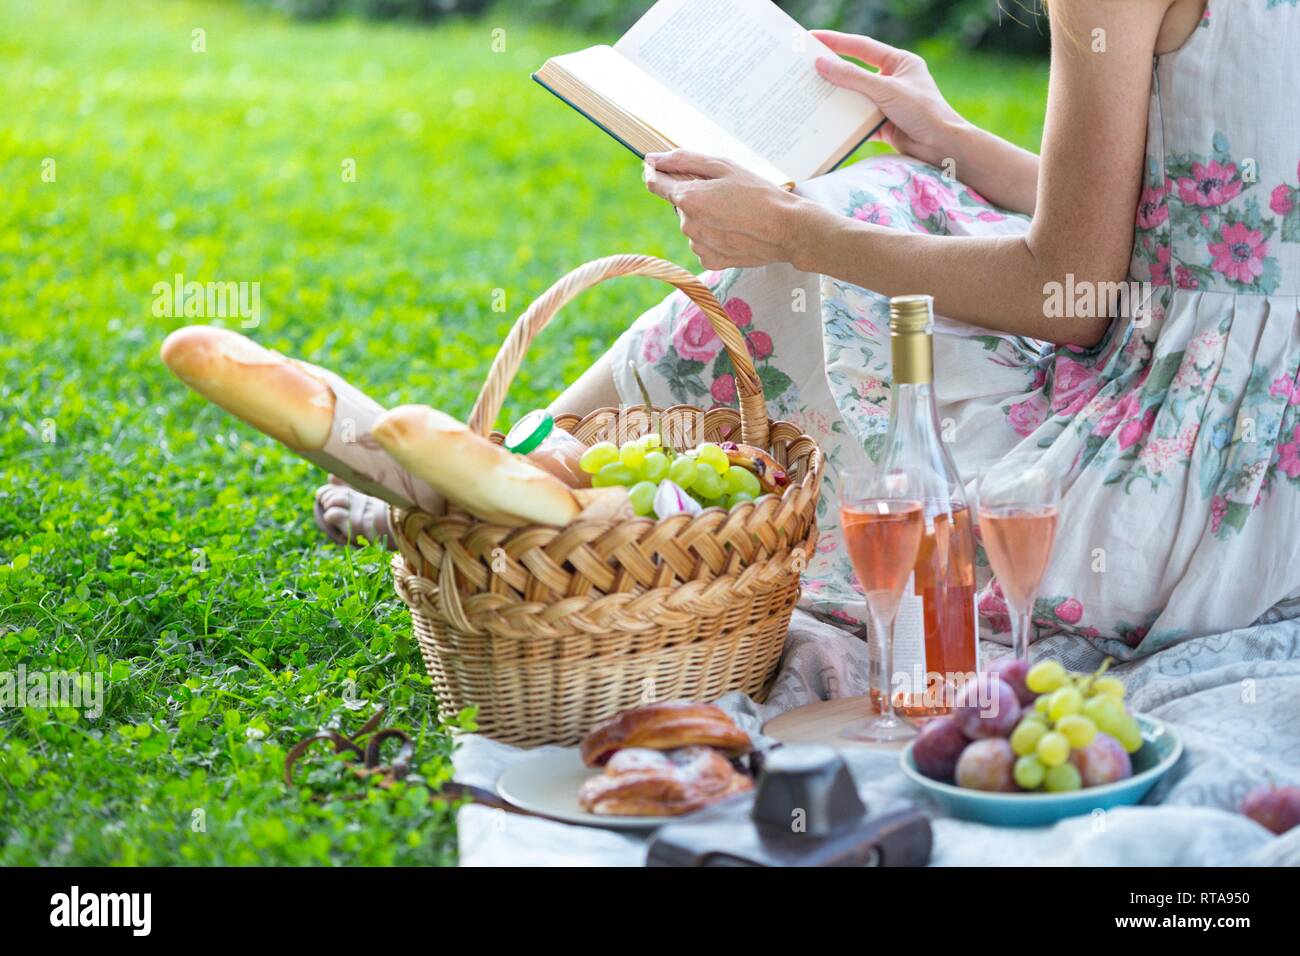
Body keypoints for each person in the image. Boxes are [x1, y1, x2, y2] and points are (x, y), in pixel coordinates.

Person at [320, 0, 1300, 658]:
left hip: (1180, 493)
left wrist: (797, 233)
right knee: (901, 193)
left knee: (827, 235)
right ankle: (498, 461)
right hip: (1271, 476)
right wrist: (951, 142)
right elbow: (1205, 225)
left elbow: (1068, 296)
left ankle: (484, 474)